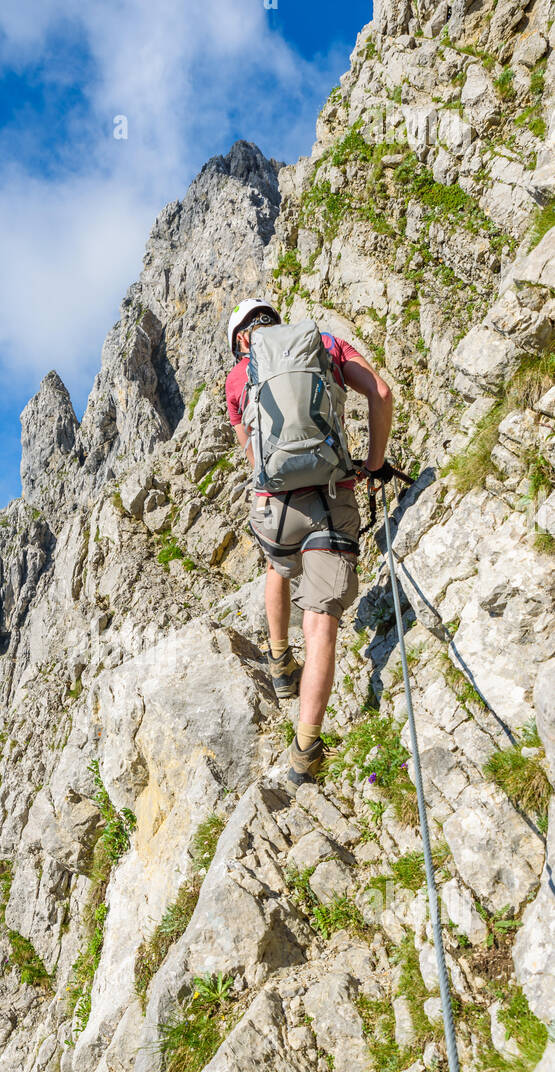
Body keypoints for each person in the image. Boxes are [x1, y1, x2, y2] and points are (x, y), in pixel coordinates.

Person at [225, 299, 394, 783]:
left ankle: (280, 662)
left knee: (277, 567)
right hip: (332, 495)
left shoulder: (239, 378)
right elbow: (380, 393)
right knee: (321, 623)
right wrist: (375, 462)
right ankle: (305, 751)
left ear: (241, 338)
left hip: (274, 510)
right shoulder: (325, 345)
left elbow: (250, 451)